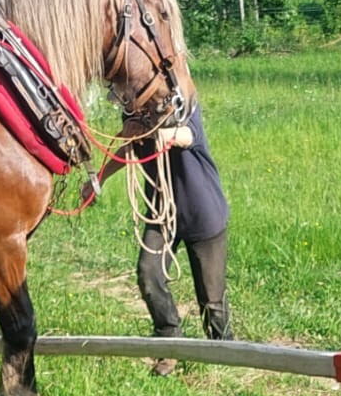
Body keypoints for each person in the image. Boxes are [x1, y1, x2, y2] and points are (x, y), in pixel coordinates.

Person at [82, 104, 231, 374]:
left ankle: (225, 352)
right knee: (148, 273)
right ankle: (169, 341)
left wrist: (152, 132)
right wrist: (99, 179)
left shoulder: (182, 100)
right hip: (161, 211)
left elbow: (187, 135)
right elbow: (129, 146)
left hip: (202, 211)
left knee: (211, 299)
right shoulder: (133, 111)